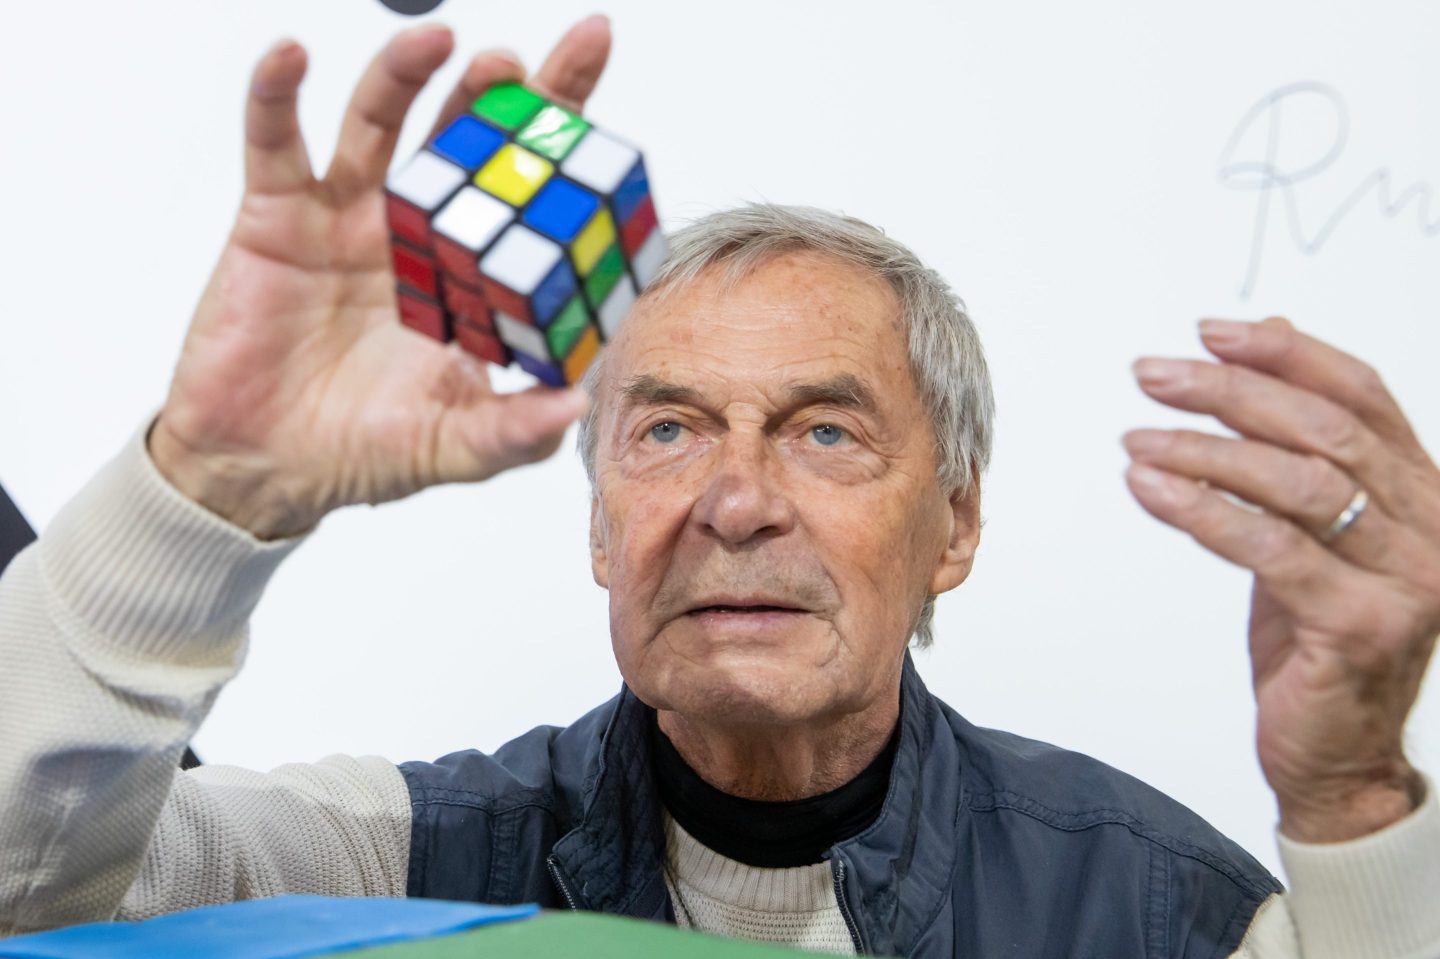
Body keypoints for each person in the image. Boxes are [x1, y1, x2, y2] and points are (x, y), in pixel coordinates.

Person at [1, 18, 1437, 958]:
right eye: (670, 430)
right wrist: (210, 484)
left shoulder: (1155, 914)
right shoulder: (399, 863)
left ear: (958, 526)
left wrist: (1355, 798)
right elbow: (31, 894)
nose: (735, 500)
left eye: (826, 434)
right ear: (597, 524)